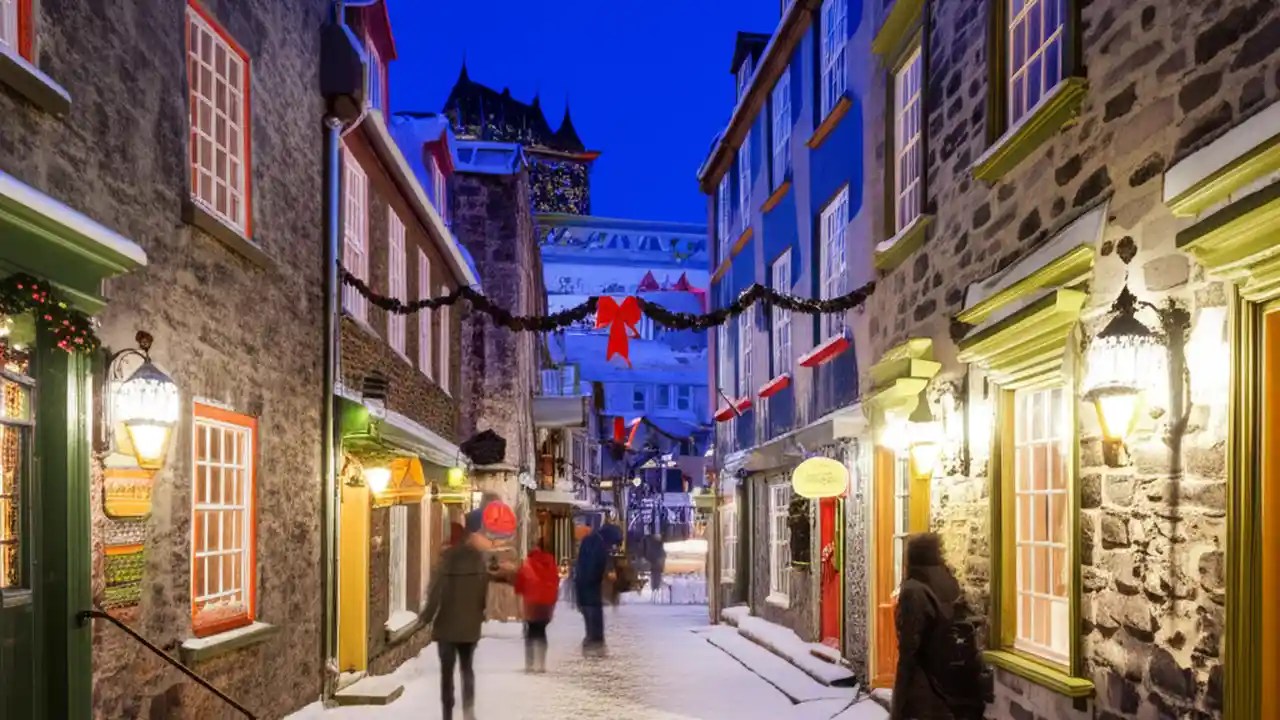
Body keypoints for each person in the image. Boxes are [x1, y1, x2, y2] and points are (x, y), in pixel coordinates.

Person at [890, 533, 986, 720]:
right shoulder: (950, 581)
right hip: (956, 688)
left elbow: (909, 652)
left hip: (927, 692)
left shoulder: (914, 590)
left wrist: (898, 707)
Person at [421, 522, 489, 720]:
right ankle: (469, 712)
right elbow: (483, 592)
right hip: (469, 627)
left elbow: (435, 594)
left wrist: (426, 618)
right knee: (467, 669)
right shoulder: (477, 561)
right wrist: (479, 612)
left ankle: (447, 713)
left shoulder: (445, 562)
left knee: (447, 673)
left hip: (446, 628)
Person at [572, 523, 622, 656]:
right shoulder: (598, 545)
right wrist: (607, 575)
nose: (613, 546)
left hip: (584, 592)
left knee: (592, 626)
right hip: (590, 593)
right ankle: (595, 654)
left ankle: (592, 654)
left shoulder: (590, 541)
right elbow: (593, 569)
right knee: (595, 627)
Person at [513, 538, 560, 673]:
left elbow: (520, 583)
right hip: (546, 603)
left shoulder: (528, 563)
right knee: (541, 631)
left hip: (532, 603)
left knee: (531, 632)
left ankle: (530, 663)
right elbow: (555, 582)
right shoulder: (551, 563)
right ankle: (541, 663)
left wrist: (519, 596)